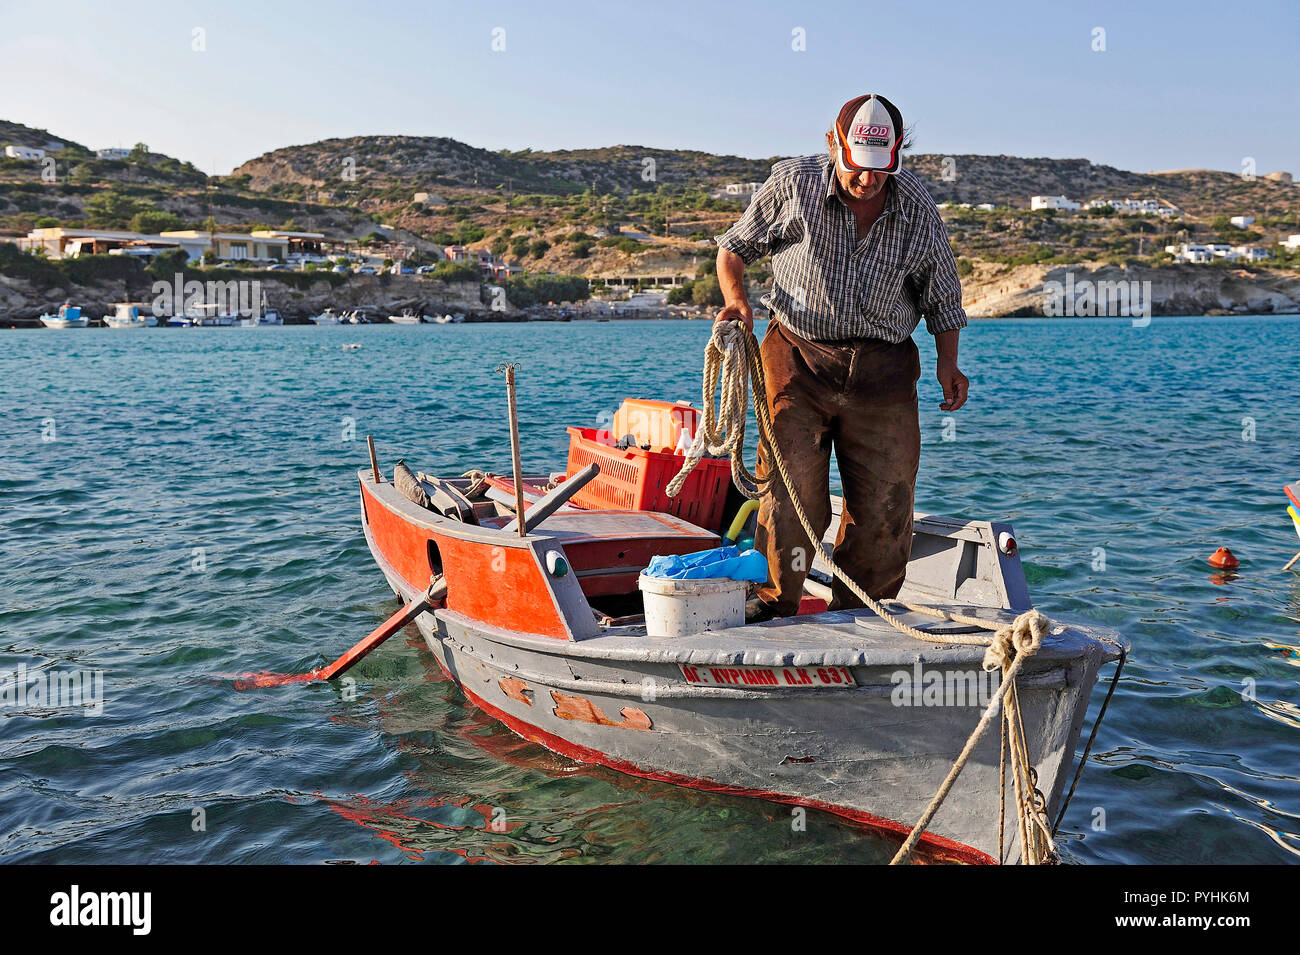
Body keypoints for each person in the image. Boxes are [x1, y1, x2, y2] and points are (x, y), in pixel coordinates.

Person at [712, 93, 970, 621]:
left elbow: (942, 292)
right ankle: (775, 604)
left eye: (881, 168)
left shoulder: (916, 205)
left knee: (885, 505)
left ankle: (862, 612)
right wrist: (736, 301)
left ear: (897, 155)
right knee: (791, 496)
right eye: (857, 167)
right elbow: (734, 249)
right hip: (796, 359)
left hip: (884, 373)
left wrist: (949, 363)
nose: (869, 180)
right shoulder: (793, 183)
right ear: (834, 144)